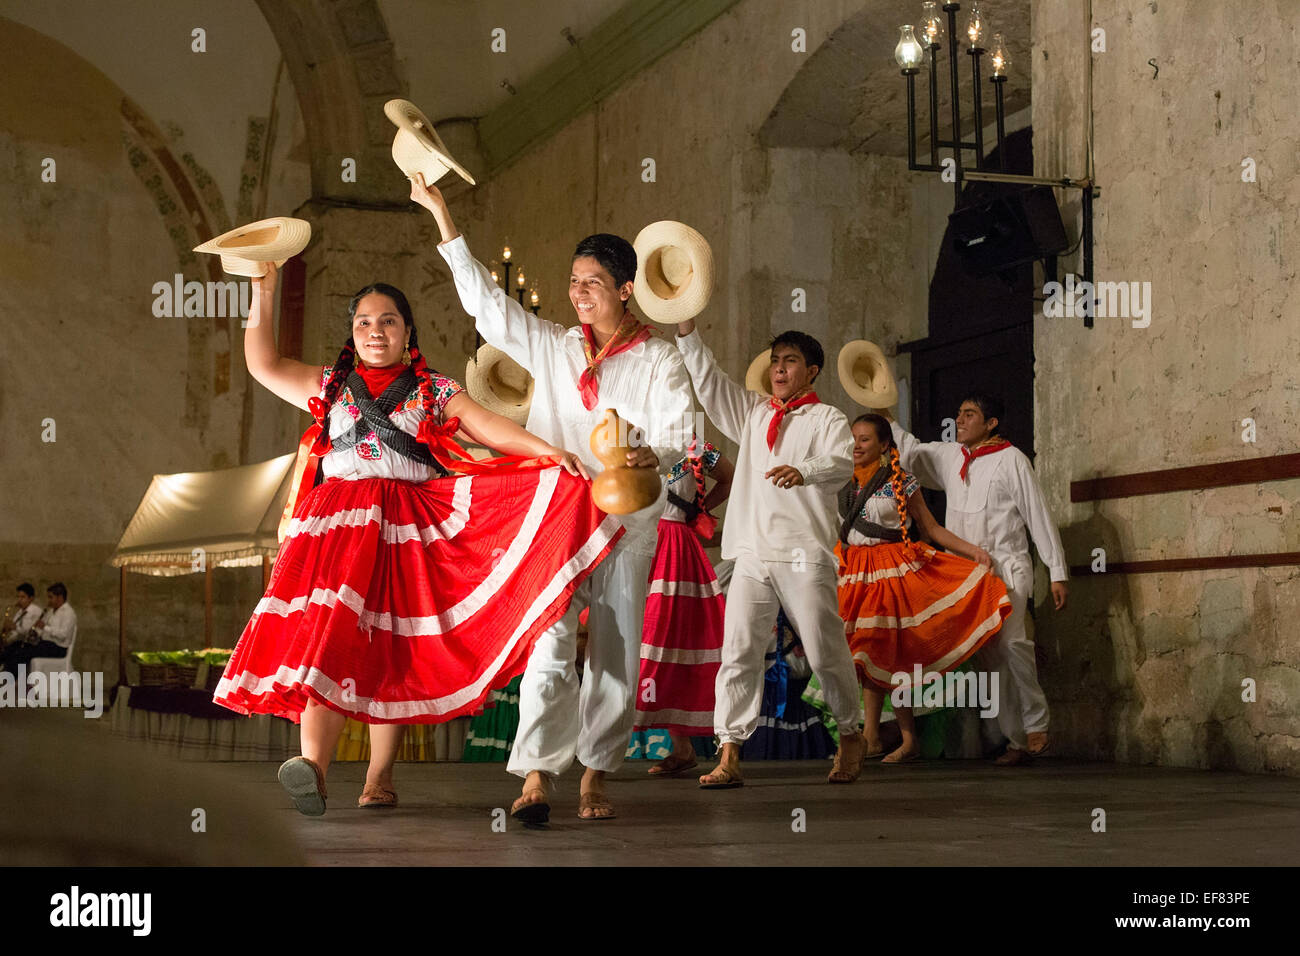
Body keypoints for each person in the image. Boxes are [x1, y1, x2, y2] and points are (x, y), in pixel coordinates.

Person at [214, 259, 618, 816]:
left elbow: (484, 426)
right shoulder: (329, 385)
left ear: (408, 332)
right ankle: (314, 767)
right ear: (351, 334)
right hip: (334, 530)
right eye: (363, 323)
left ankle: (379, 775)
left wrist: (544, 452)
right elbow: (261, 362)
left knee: (392, 644)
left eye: (388, 322)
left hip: (405, 531)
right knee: (324, 637)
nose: (375, 331)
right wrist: (263, 287)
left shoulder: (433, 389)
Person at [419, 174, 695, 823]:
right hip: (560, 518)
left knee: (616, 653)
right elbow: (487, 306)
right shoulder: (553, 344)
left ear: (626, 289)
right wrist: (442, 216)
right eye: (573, 282)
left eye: (592, 282)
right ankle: (538, 776)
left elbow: (686, 434)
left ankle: (595, 777)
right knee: (548, 643)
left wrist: (658, 451)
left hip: (628, 519)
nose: (578, 293)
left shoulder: (658, 360)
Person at [674, 318, 868, 788]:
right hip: (752, 552)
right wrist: (686, 332)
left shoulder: (827, 419)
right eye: (776, 362)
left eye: (791, 362)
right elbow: (709, 382)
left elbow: (844, 461)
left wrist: (804, 469)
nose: (780, 370)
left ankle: (850, 733)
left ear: (813, 371)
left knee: (824, 651)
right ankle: (730, 753)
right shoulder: (753, 412)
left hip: (804, 552)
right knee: (738, 649)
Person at [886, 395, 1068, 765]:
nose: (960, 419)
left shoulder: (1012, 459)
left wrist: (1057, 572)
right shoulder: (952, 456)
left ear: (991, 424)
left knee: (1014, 642)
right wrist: (884, 414)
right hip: (966, 573)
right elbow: (911, 450)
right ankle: (1015, 740)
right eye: (959, 413)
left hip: (1007, 566)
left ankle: (1036, 724)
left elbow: (1038, 516)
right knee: (989, 656)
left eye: (970, 415)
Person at [836, 414, 1011, 762]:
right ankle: (901, 738)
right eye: (853, 438)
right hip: (855, 572)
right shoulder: (842, 483)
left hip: (894, 572)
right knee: (870, 652)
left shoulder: (902, 480)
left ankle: (873, 736)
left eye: (865, 439)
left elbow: (930, 529)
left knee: (880, 649)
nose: (856, 445)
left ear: (885, 445)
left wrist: (972, 552)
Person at [634, 438, 734, 777]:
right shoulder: (628, 439)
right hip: (637, 538)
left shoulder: (696, 447)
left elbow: (730, 476)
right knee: (639, 637)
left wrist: (699, 510)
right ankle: (679, 746)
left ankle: (688, 744)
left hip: (674, 544)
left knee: (670, 637)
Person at [3, 583, 75, 676]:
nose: (49, 600)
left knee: (22, 653)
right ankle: (9, 678)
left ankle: (13, 680)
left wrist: (44, 627)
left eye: (51, 597)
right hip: (46, 644)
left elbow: (63, 635)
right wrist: (36, 633)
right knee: (15, 648)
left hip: (58, 648)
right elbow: (42, 630)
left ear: (60, 597)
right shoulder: (51, 611)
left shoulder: (68, 613)